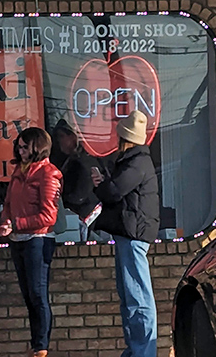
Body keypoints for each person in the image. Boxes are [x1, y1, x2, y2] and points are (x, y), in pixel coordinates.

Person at [91, 111, 159, 357]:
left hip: (133, 235)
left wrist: (101, 185)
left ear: (125, 138)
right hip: (129, 233)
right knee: (130, 296)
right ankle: (136, 350)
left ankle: (143, 352)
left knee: (137, 297)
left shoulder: (136, 162)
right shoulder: (135, 161)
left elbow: (114, 192)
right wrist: (105, 184)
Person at [0, 127, 62, 357]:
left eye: (25, 147)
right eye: (19, 146)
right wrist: (6, 222)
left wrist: (16, 224)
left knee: (38, 293)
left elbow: (49, 216)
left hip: (39, 238)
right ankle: (36, 344)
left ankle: (41, 346)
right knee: (28, 295)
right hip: (18, 238)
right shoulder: (19, 170)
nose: (20, 150)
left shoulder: (48, 173)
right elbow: (8, 203)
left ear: (37, 147)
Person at [50, 119, 102, 241]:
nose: (59, 141)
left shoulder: (83, 162)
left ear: (73, 137)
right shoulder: (66, 160)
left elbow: (80, 194)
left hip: (85, 213)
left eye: (62, 136)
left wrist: (63, 200)